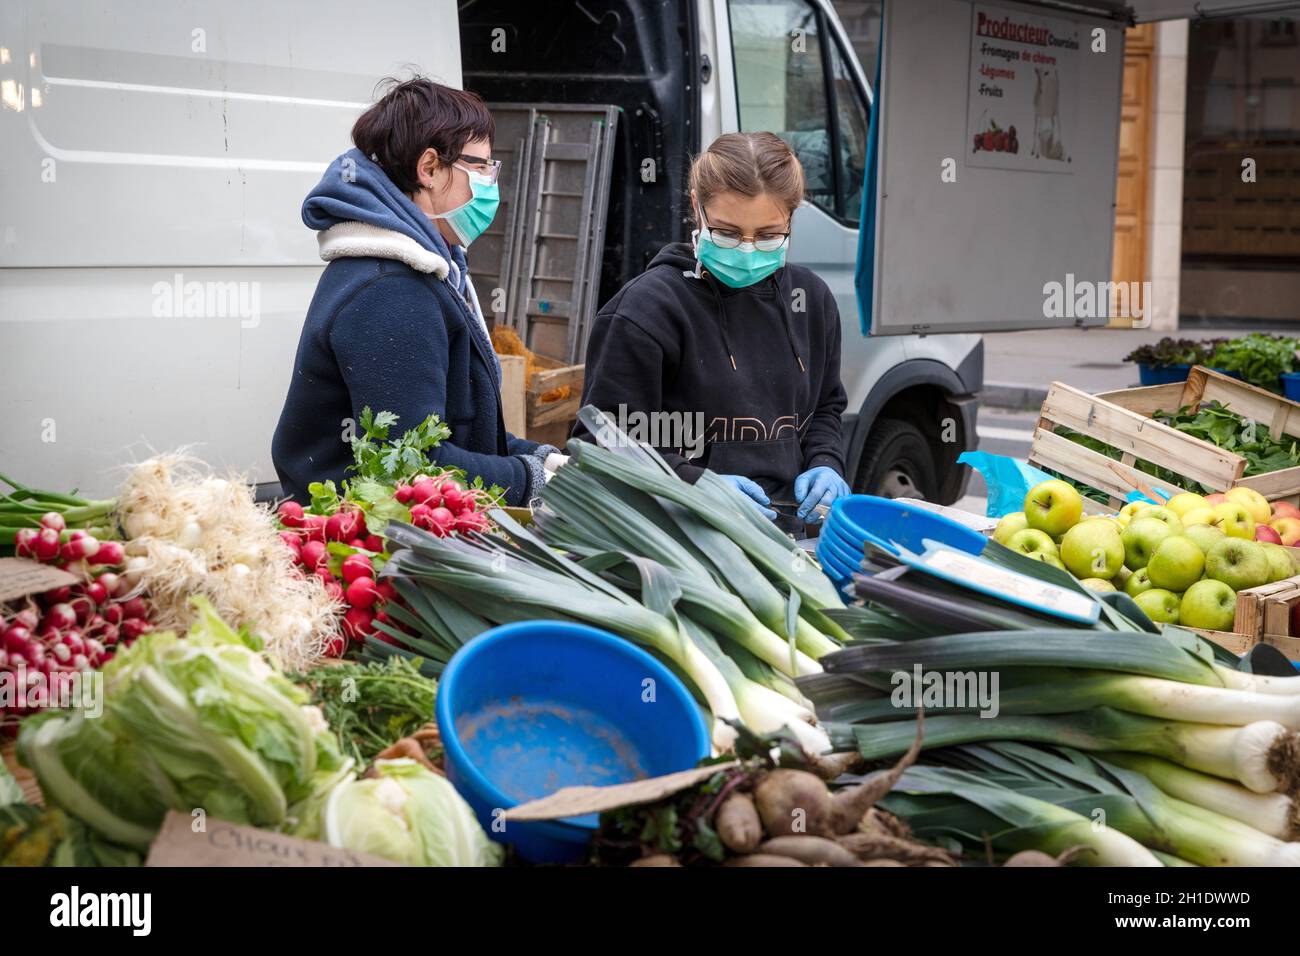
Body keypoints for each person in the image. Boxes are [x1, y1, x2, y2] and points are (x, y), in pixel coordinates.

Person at [272, 77, 556, 504]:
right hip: (364, 542)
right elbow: (413, 466)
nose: (490, 182)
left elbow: (459, 432)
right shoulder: (390, 292)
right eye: (480, 166)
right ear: (428, 169)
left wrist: (540, 459)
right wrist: (528, 480)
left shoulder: (419, 273)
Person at [579, 132, 850, 523]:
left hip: (793, 537)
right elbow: (600, 444)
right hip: (683, 540)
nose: (746, 249)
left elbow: (825, 407)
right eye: (727, 232)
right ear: (696, 207)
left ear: (791, 217)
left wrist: (827, 462)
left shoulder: (812, 301)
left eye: (769, 235)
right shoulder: (644, 312)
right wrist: (692, 483)